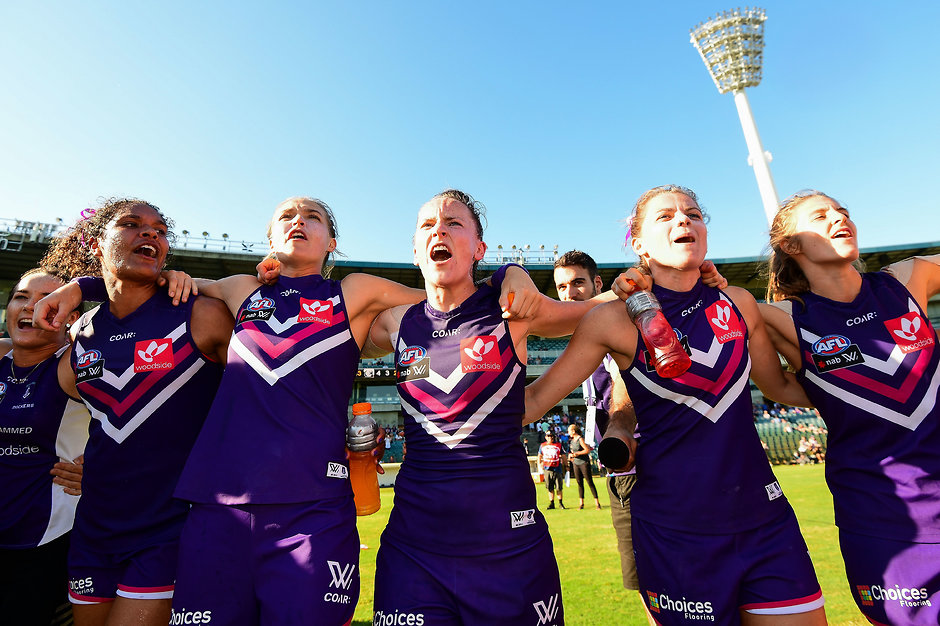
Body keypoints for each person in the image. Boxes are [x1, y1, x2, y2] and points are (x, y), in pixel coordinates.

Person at [145, 197, 532, 625]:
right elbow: (154, 287)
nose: (299, 222)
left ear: (332, 242)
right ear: (270, 240)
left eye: (313, 218)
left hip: (313, 505)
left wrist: (510, 274)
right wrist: (104, 285)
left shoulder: (356, 291)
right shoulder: (240, 290)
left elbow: (450, 295)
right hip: (219, 504)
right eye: (287, 217)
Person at [526, 185, 827, 625]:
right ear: (638, 242)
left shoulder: (738, 303)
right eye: (664, 217)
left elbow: (780, 387)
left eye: (692, 213)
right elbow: (533, 400)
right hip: (675, 529)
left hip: (765, 521)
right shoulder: (611, 318)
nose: (684, 220)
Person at [366, 189, 616, 626]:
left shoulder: (512, 310)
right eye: (427, 225)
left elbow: (593, 312)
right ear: (414, 251)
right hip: (413, 548)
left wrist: (641, 282)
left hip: (508, 546)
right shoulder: (394, 322)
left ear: (480, 249)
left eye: (454, 223)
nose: (438, 229)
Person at [33, 198, 233, 626]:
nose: (151, 234)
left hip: (171, 525)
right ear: (95, 243)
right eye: (131, 224)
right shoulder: (80, 336)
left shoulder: (201, 314)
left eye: (160, 230)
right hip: (94, 525)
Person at [760, 189, 940, 624]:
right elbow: (777, 385)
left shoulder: (905, 281)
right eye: (820, 216)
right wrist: (828, 389)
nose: (839, 218)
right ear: (790, 245)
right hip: (885, 520)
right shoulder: (781, 317)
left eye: (841, 211)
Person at [0, 268, 89, 626]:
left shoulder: (76, 366)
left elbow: (159, 421)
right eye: (22, 297)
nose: (31, 308)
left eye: (48, 301)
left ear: (71, 320)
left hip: (46, 538)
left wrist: (107, 468)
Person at [567, 424, 600, 510]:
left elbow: (587, 450)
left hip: (583, 463)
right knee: (579, 483)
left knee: (589, 482)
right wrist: (571, 456)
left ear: (573, 431)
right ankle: (581, 503)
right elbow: (571, 451)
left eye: (569, 431)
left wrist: (577, 454)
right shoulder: (571, 441)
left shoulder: (580, 439)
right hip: (576, 463)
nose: (568, 433)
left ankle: (597, 503)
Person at [538, 430, 567, 509]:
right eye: (548, 436)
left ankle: (560, 502)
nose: (550, 438)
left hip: (557, 468)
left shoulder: (558, 445)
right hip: (547, 468)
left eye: (551, 436)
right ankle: (552, 503)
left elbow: (563, 455)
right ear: (546, 437)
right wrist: (539, 464)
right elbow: (539, 455)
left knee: (559, 487)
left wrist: (566, 465)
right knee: (549, 487)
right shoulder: (542, 445)